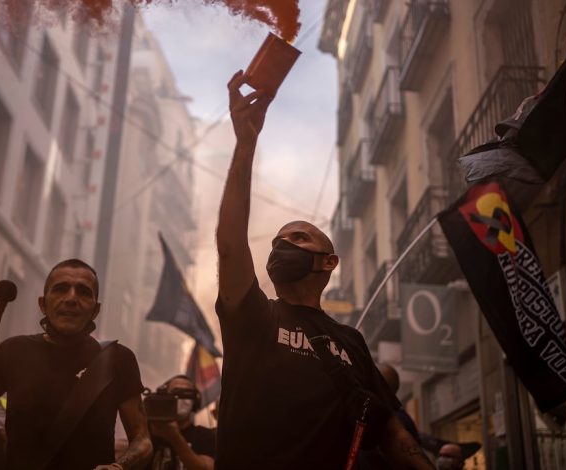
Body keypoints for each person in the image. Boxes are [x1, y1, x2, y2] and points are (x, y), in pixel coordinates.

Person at [214, 70, 435, 469]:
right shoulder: (255, 316)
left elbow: (390, 432)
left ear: (329, 262)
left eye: (299, 239)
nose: (284, 244)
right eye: (279, 241)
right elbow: (230, 246)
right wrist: (245, 145)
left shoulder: (351, 342)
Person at [0, 259, 152, 470]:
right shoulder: (13, 350)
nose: (71, 298)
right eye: (60, 289)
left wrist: (119, 466)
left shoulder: (118, 359)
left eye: (83, 292)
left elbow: (142, 440)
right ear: (43, 304)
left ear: (95, 310)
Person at [146, 375, 215, 470]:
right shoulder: (146, 433)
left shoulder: (205, 436)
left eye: (187, 394)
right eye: (175, 393)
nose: (181, 399)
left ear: (195, 402)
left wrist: (175, 438)